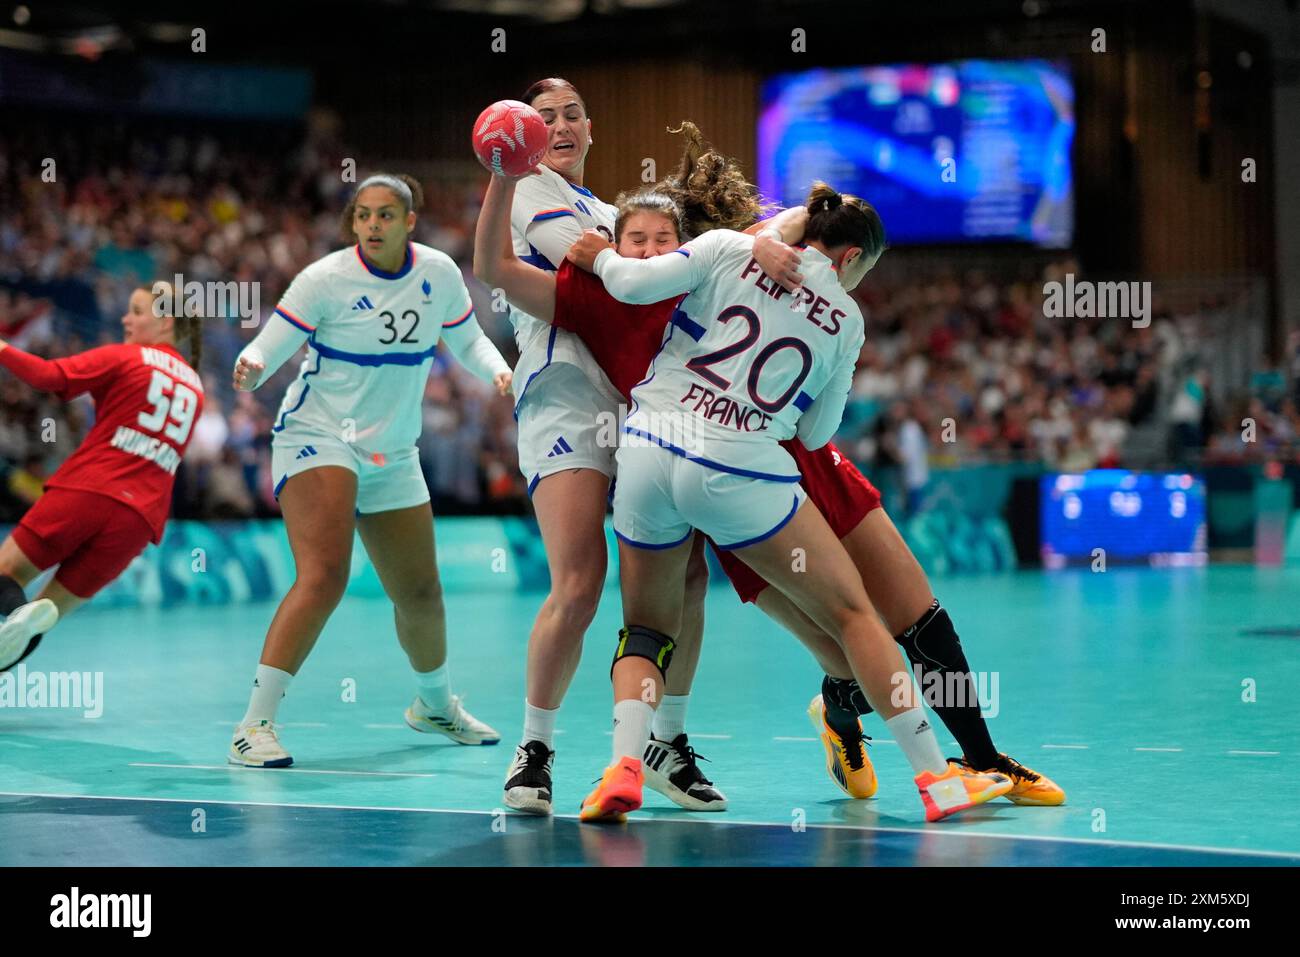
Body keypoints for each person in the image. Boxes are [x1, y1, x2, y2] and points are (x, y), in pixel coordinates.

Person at [562, 182, 1013, 823]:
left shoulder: (726, 247)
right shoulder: (846, 320)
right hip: (735, 464)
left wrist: (601, 259)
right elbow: (816, 434)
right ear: (853, 257)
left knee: (647, 627)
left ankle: (624, 766)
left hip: (646, 448)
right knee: (856, 614)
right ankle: (939, 781)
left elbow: (633, 286)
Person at [484, 87, 792, 814]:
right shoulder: (531, 185)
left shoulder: (606, 208)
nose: (557, 125)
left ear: (591, 127)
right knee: (580, 580)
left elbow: (644, 269)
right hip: (567, 396)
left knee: (683, 575)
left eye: (569, 113)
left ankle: (662, 740)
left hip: (643, 401)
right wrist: (720, 252)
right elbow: (598, 265)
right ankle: (534, 750)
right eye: (542, 116)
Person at [227, 172, 511, 768]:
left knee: (421, 592)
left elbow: (470, 342)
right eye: (363, 215)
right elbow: (273, 343)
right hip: (318, 435)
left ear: (410, 222)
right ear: (353, 223)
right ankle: (254, 725)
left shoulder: (437, 273)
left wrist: (498, 371)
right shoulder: (325, 279)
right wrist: (253, 362)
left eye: (386, 215)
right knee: (325, 575)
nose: (373, 225)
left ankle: (434, 706)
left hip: (394, 451)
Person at [0, 284, 204, 669]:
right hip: (138, 522)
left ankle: (14, 611)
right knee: (45, 617)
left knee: (5, 577)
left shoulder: (129, 358)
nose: (126, 319)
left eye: (137, 311)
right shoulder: (196, 388)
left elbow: (50, 376)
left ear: (166, 321)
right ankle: (21, 620)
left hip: (88, 490)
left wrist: (4, 348)